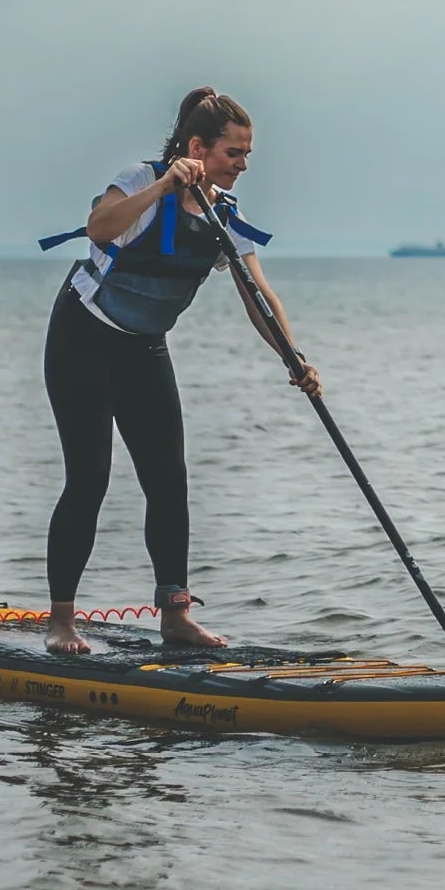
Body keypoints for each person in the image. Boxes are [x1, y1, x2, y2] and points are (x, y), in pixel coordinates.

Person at [35, 87, 320, 655]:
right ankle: (62, 623)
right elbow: (98, 227)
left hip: (143, 348)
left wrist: (295, 360)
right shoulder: (141, 179)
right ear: (197, 146)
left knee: (169, 481)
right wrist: (167, 184)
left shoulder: (225, 218)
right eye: (232, 153)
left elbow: (257, 296)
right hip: (82, 339)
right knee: (89, 479)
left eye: (246, 155)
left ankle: (175, 616)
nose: (242, 165)